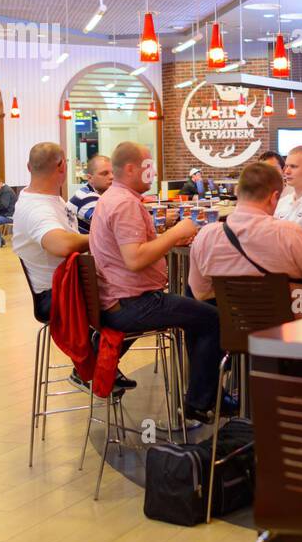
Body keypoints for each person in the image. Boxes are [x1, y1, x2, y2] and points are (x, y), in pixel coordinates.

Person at [90, 141, 225, 423]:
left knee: (195, 312)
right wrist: (176, 233)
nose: (152, 172)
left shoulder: (115, 198)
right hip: (133, 304)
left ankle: (202, 395)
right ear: (131, 169)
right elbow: (135, 259)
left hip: (119, 301)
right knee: (213, 319)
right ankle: (201, 401)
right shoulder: (125, 203)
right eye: (148, 165)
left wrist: (165, 235)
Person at [189, 162, 302, 317]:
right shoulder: (289, 234)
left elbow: (200, 293)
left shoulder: (206, 236)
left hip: (241, 332)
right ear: (274, 197)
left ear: (237, 191)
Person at [12, 142, 90, 323]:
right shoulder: (37, 208)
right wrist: (101, 237)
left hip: (69, 286)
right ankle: (98, 348)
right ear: (62, 165)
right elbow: (61, 245)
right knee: (137, 297)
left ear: (28, 167)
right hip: (59, 295)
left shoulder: (49, 200)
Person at [69, 154, 112, 234]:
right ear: (89, 178)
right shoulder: (86, 198)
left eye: (113, 172)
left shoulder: (100, 193)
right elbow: (116, 224)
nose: (112, 177)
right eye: (105, 173)